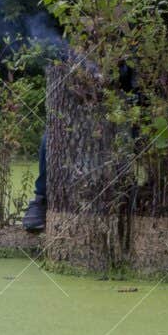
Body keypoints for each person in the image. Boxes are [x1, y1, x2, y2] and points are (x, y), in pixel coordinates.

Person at [22, 60, 139, 234]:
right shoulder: (79, 49)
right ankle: (41, 199)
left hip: (126, 110)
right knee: (50, 136)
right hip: (80, 112)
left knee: (135, 136)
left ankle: (136, 199)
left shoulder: (135, 48)